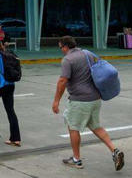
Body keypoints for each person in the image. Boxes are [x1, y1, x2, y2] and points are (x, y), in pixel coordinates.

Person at [53, 36, 124, 171]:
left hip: (80, 101)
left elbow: (62, 81)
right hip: (95, 99)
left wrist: (56, 101)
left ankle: (76, 159)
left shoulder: (67, 60)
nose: (61, 50)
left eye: (60, 47)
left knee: (73, 127)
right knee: (96, 126)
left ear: (66, 46)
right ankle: (115, 150)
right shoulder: (88, 54)